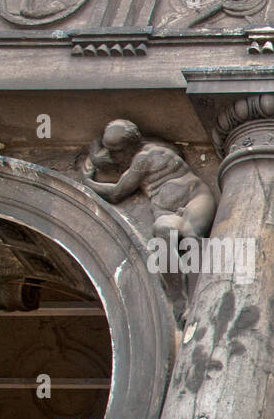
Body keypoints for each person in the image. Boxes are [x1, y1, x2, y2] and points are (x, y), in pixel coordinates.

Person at [81, 119, 216, 317]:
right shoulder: (152, 146)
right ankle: (179, 299)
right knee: (162, 231)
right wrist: (96, 154)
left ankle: (199, 300)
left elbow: (117, 192)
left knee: (189, 237)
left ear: (129, 146)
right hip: (167, 213)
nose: (111, 155)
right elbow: (113, 160)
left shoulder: (143, 158)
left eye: (115, 150)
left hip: (195, 200)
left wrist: (88, 182)